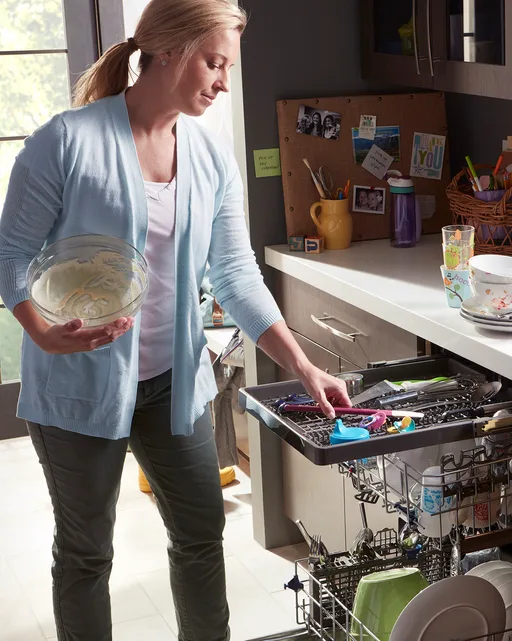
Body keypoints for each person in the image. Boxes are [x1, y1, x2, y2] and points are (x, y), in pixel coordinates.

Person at [0, 1, 350, 640]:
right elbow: (10, 257)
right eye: (214, 63)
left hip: (173, 383)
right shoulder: (67, 142)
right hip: (77, 389)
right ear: (168, 51)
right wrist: (41, 330)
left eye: (228, 66)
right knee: (86, 556)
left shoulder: (210, 155)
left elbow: (236, 274)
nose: (223, 81)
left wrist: (302, 366)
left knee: (200, 536)